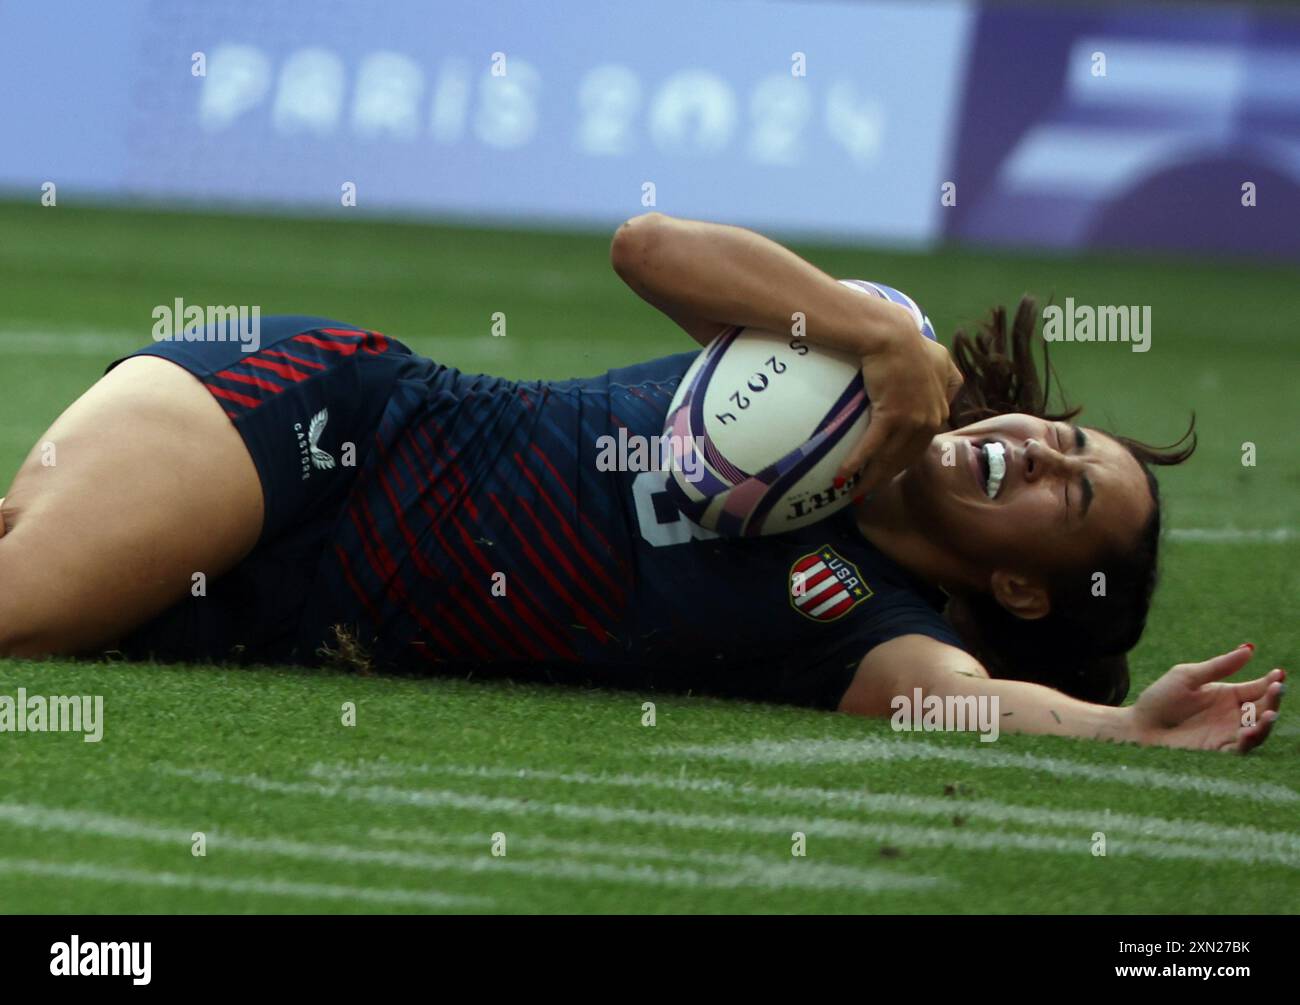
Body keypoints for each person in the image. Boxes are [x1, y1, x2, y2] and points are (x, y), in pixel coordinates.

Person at [0, 213, 1283, 751]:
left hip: (282, 615)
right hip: (319, 430)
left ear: (1018, 579)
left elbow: (967, 704)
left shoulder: (856, 624)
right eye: (1069, 435)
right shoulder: (834, 354)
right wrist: (881, 332)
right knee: (17, 614)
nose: (1051, 447)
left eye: (1074, 490)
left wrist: (1126, 730)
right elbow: (649, 245)